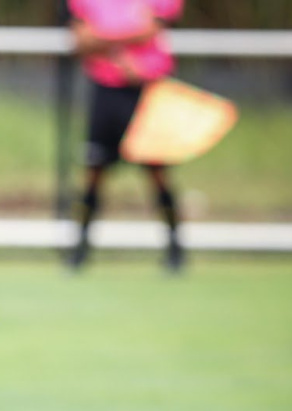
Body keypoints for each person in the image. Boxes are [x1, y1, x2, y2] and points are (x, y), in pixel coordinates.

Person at [66, 0, 185, 272]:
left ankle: (175, 249)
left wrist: (102, 38)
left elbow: (150, 30)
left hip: (145, 92)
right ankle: (80, 251)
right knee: (93, 172)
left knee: (158, 173)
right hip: (105, 92)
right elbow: (80, 41)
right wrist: (129, 36)